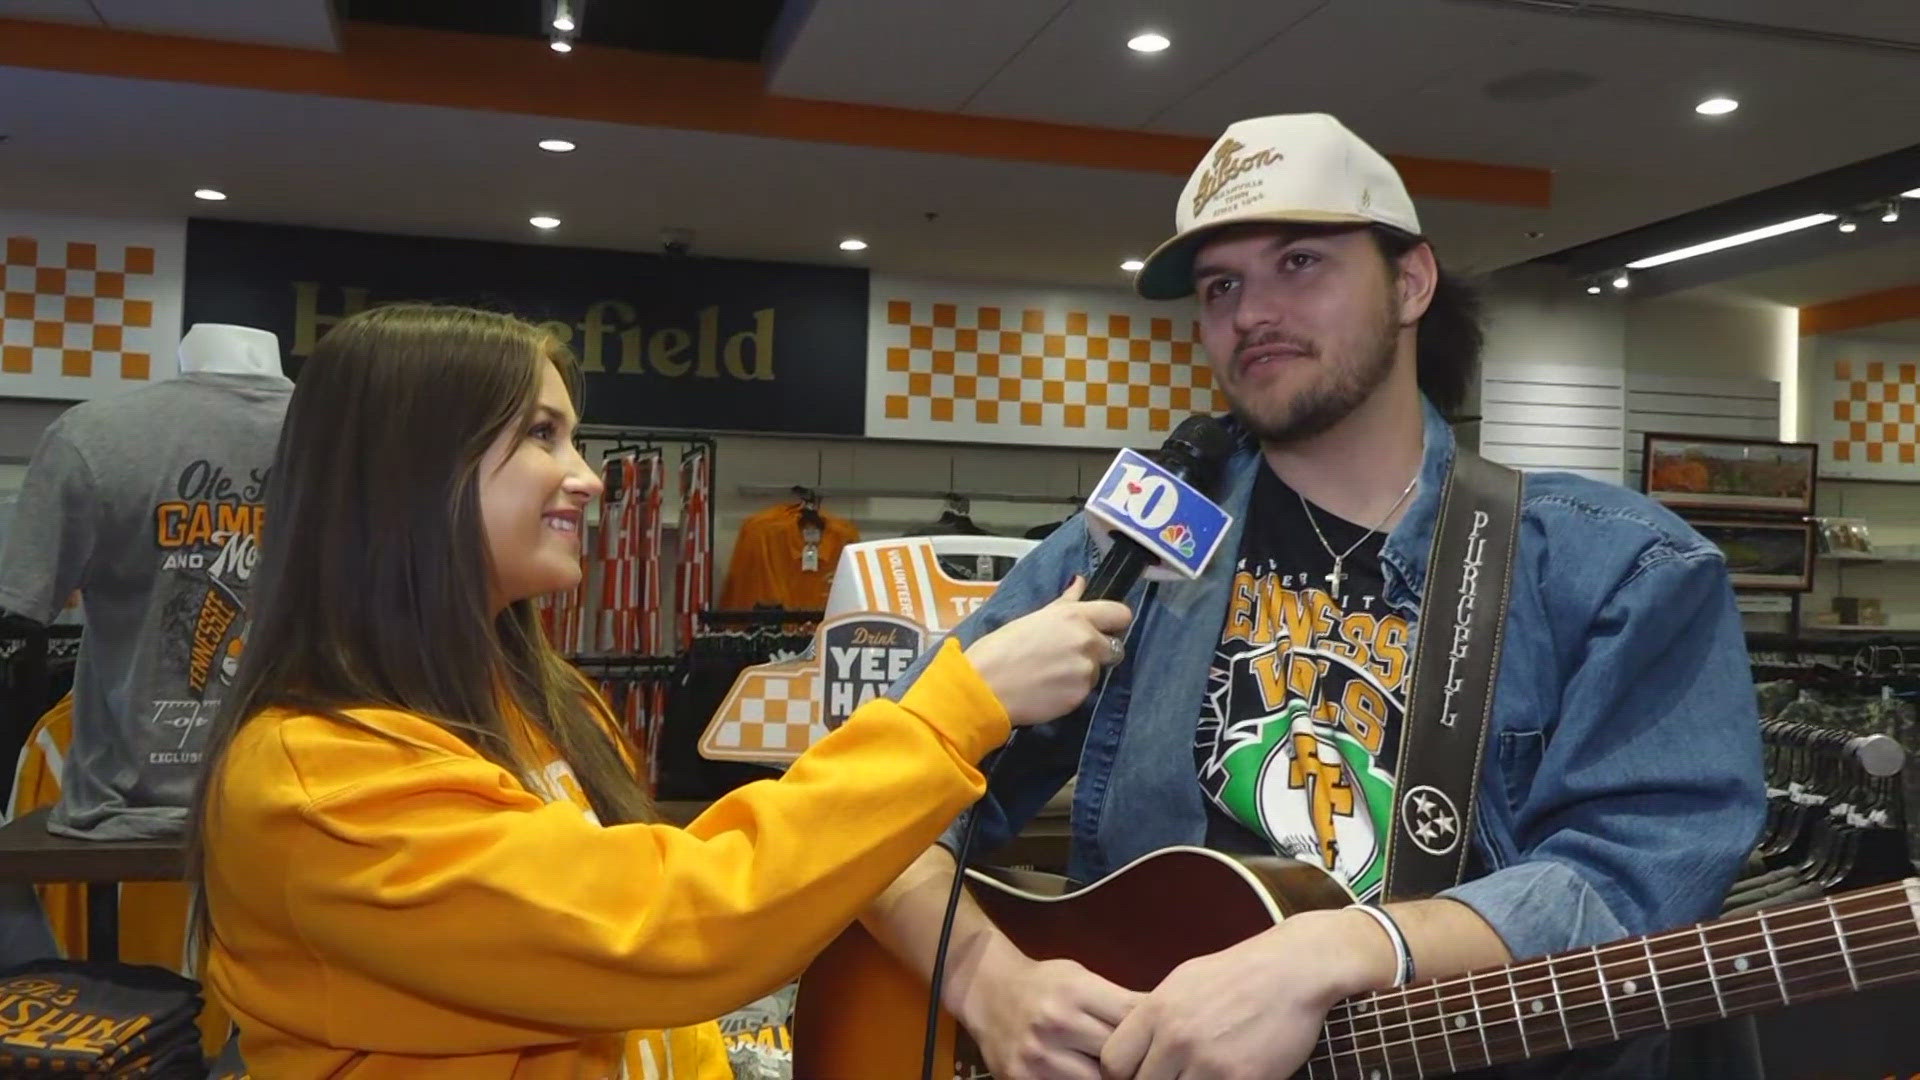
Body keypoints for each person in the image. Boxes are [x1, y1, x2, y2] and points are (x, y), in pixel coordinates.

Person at [866, 113, 1766, 1080]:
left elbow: (1640, 883)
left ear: (1410, 282)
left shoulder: (1611, 571)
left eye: (1300, 261)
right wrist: (988, 982)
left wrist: (1345, 949)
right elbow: (868, 800)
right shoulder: (1137, 541)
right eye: (1222, 286)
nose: (1252, 311)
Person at [188, 304, 1134, 1079]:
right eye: (541, 436)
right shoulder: (318, 784)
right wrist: (959, 707)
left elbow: (643, 979)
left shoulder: (536, 698)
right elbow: (670, 926)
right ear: (411, 469)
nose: (589, 479)